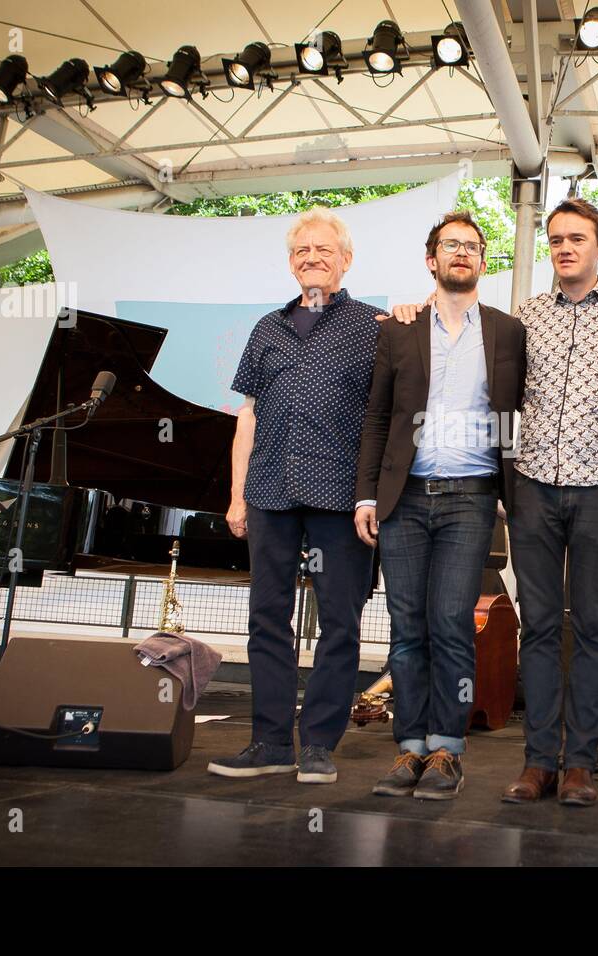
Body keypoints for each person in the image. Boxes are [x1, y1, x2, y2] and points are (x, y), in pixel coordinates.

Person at [386, 197, 598, 807]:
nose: (564, 247)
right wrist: (410, 307)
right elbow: (464, 352)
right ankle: (538, 764)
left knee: (591, 627)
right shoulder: (524, 317)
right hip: (531, 486)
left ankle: (581, 765)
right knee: (537, 627)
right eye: (556, 239)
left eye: (577, 239)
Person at [208, 206, 382, 786]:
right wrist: (237, 496)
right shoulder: (266, 329)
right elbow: (247, 419)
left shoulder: (373, 327)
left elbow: (386, 415)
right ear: (290, 263)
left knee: (340, 622)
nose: (312, 258)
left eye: (324, 250)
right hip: (269, 493)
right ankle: (271, 742)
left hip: (340, 496)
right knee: (267, 619)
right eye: (302, 251)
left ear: (346, 259)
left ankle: (320, 746)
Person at [356, 211, 526, 800]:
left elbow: (516, 416)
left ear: (483, 261)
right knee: (406, 629)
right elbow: (378, 418)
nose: (462, 253)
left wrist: (513, 491)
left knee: (452, 624)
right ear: (432, 259)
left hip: (471, 499)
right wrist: (365, 496)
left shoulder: (509, 332)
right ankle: (409, 749)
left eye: (472, 246)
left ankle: (447, 752)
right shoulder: (399, 330)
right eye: (450, 245)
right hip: (403, 500)